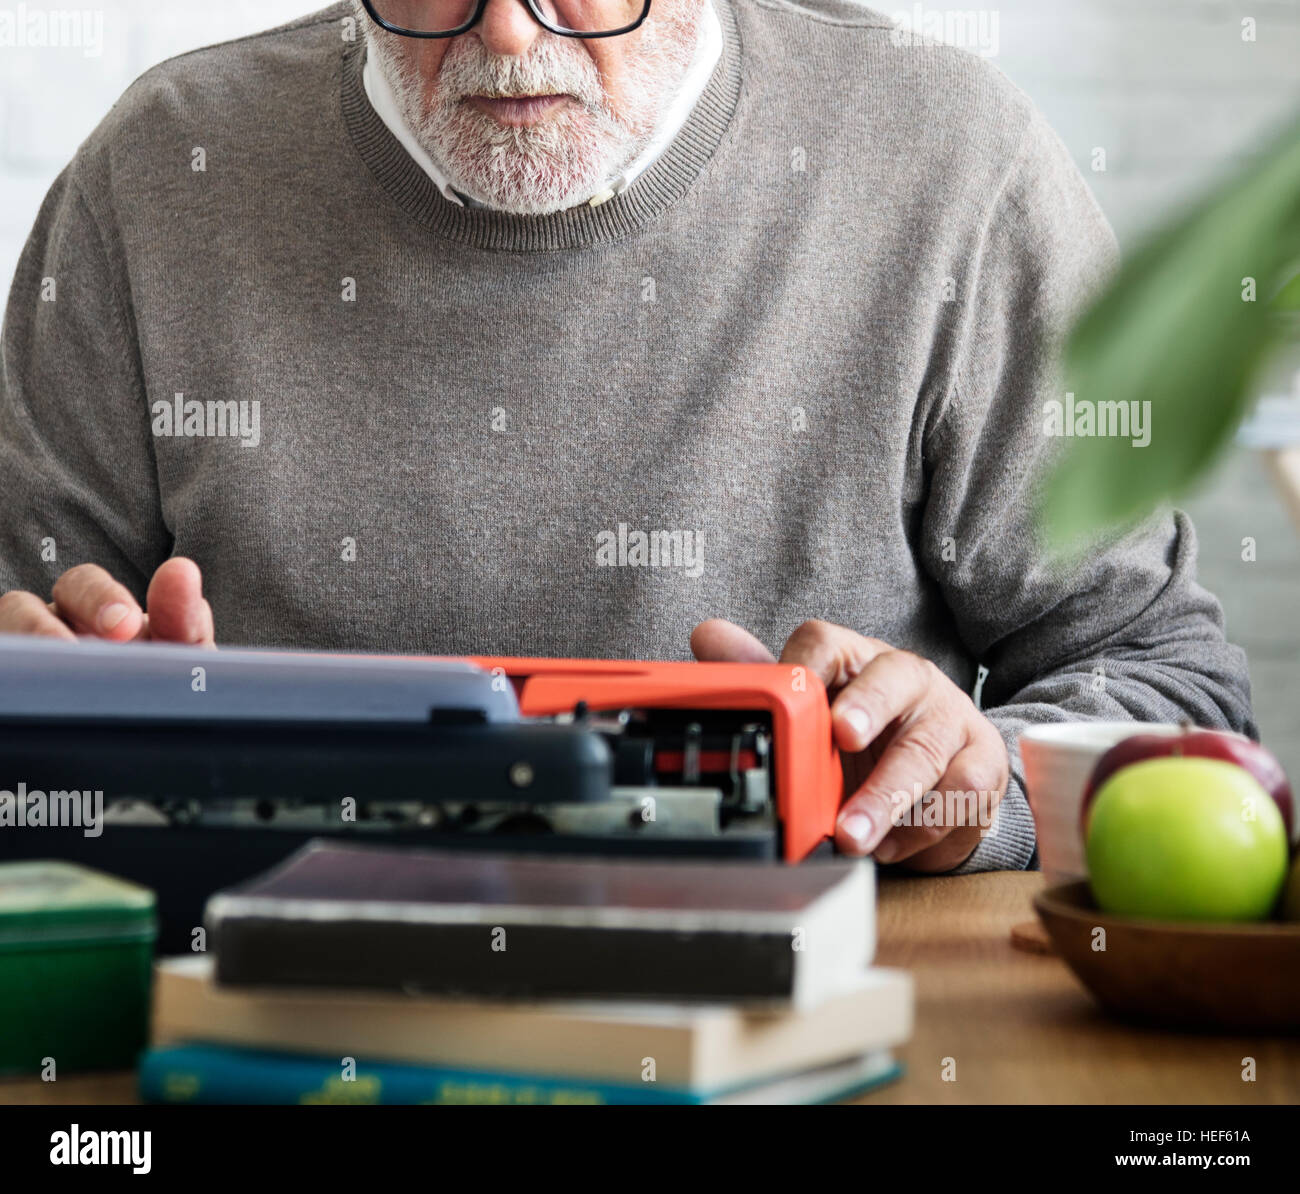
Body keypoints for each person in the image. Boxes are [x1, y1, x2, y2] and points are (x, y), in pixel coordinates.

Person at [0, 0, 1253, 873]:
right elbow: (25, 677)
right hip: (277, 999)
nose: (505, 30)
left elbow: (1176, 692)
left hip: (806, 1013)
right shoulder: (157, 174)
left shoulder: (952, 164)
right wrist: (57, 699)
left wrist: (979, 782)